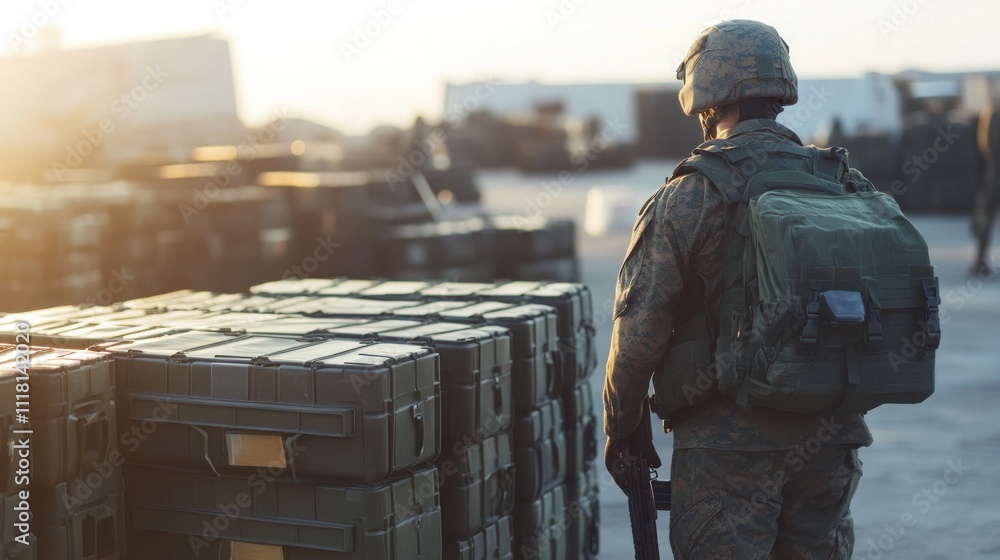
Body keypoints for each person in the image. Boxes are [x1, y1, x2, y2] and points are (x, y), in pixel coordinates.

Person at [603, 20, 874, 559]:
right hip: (831, 437)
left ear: (703, 93)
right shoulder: (842, 181)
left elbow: (640, 326)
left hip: (728, 449)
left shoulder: (690, 194)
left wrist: (622, 424)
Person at [973, 103, 1000, 277]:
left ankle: (980, 261)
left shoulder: (991, 113)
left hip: (993, 172)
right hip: (995, 172)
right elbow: (991, 145)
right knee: (985, 218)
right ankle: (980, 261)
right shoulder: (994, 114)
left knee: (985, 217)